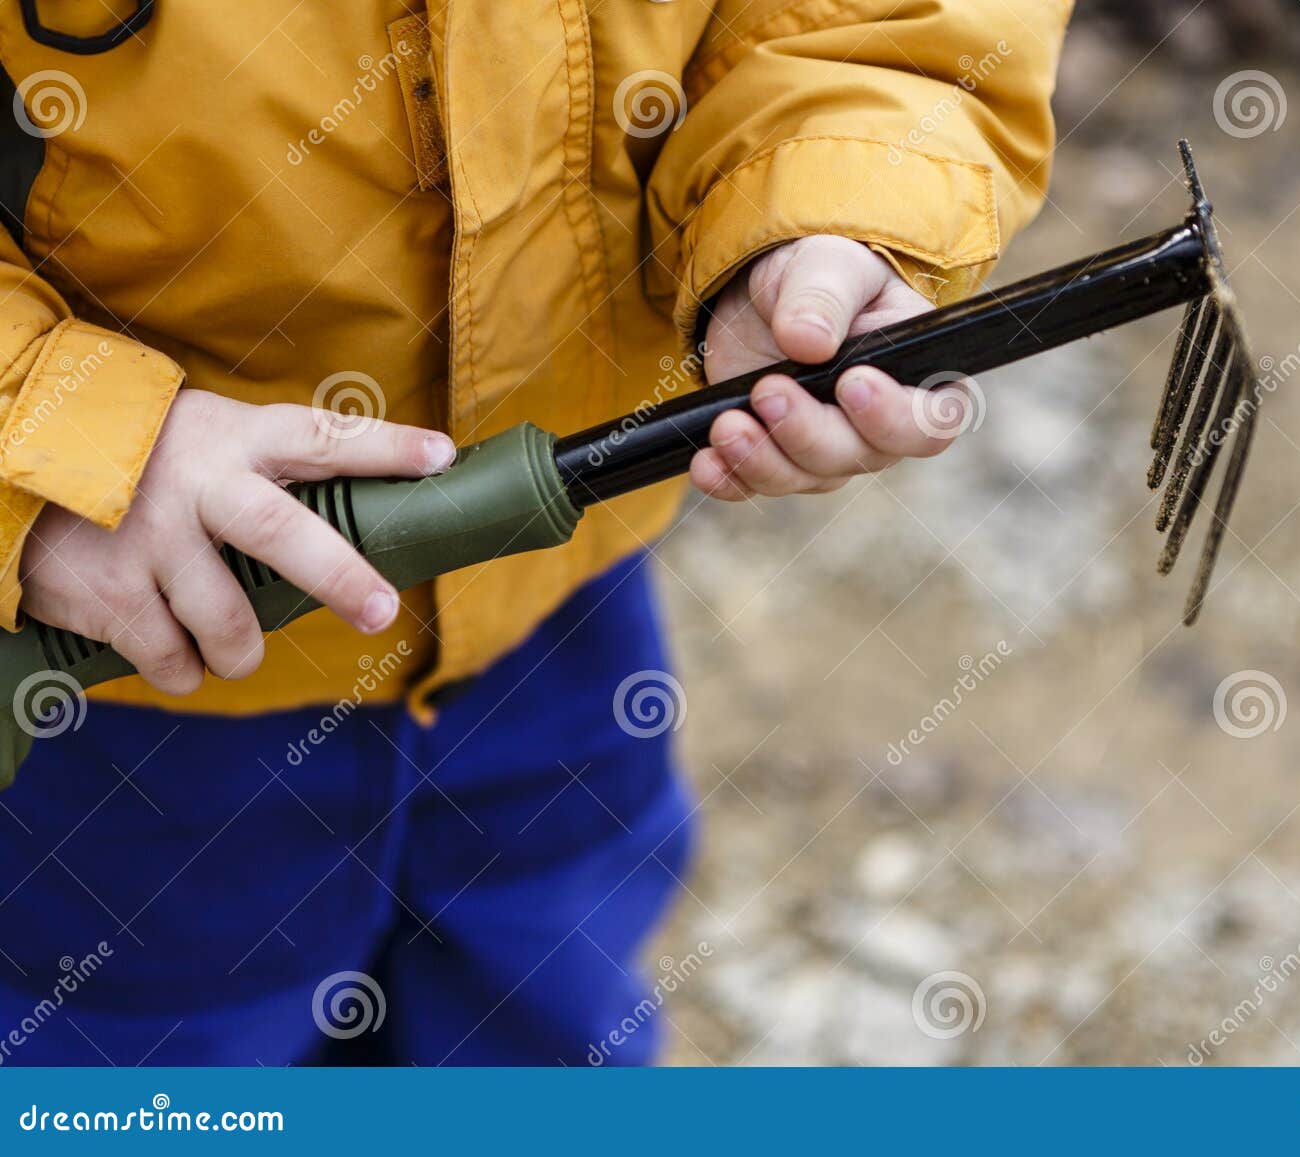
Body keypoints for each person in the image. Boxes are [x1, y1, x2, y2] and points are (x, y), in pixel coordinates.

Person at [0, 0, 1068, 1064]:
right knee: (133, 1054)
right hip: (116, 682)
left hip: (550, 602)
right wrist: (46, 432)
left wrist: (818, 194)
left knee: (536, 994)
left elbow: (887, 25)